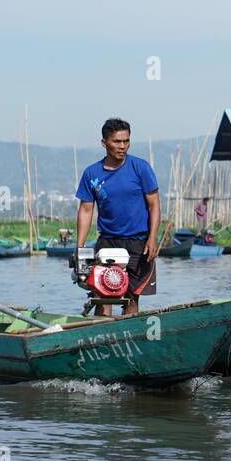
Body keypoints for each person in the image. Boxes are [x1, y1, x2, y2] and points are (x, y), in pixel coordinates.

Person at [75, 118, 161, 317]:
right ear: (104, 143)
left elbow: (154, 205)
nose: (122, 146)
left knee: (131, 296)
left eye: (126, 141)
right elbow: (86, 210)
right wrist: (79, 247)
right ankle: (101, 335)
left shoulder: (141, 168)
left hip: (139, 242)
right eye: (117, 142)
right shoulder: (91, 173)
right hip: (108, 241)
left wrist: (152, 238)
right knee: (104, 294)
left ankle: (129, 336)